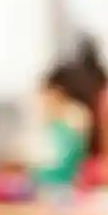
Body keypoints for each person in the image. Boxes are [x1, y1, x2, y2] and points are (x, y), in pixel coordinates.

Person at [34, 63, 93, 191]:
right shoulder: (68, 118)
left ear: (58, 92)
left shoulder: (74, 116)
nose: (44, 101)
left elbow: (63, 166)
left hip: (61, 187)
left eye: (47, 94)